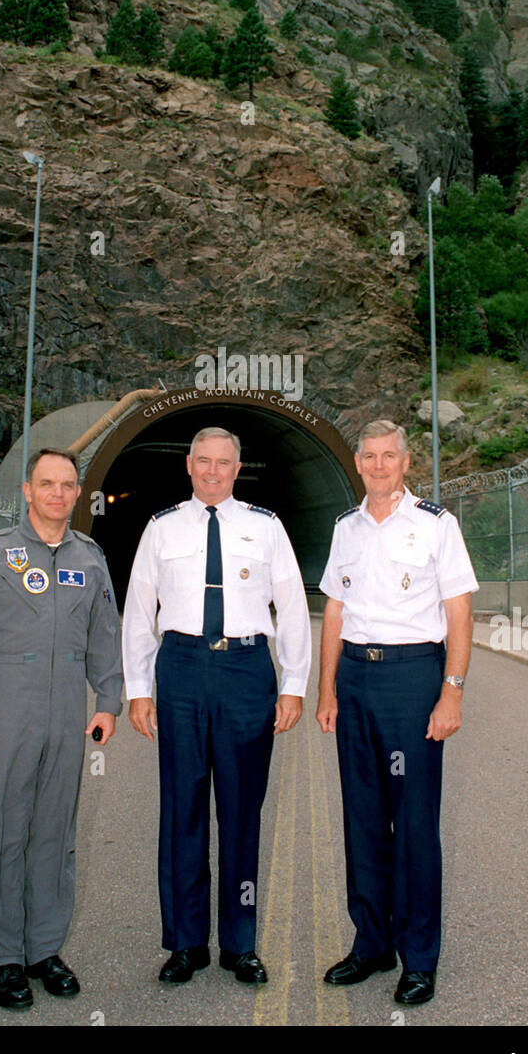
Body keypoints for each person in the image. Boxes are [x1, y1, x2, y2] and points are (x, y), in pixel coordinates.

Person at [122, 426, 311, 984]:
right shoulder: (160, 528)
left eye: (222, 463)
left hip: (245, 670)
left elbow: (293, 607)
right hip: (179, 668)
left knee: (241, 812)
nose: (212, 471)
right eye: (202, 461)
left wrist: (293, 683)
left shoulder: (266, 526)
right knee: (181, 811)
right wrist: (138, 689)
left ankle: (240, 943)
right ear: (188, 464)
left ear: (237, 467)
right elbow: (138, 610)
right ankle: (185, 943)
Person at [0, 448, 122, 1010]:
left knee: (54, 836)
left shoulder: (91, 559)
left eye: (66, 485)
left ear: (77, 493)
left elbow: (104, 636)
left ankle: (44, 950)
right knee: (3, 837)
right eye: (45, 483)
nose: (56, 493)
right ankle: (4, 959)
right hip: (5, 713)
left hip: (66, 714)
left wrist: (109, 700)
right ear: (27, 490)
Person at [316, 419, 477, 1005]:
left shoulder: (437, 525)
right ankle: (372, 943)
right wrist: (326, 689)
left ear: (406, 463)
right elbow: (334, 611)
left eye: (389, 456)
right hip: (356, 678)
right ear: (358, 464)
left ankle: (419, 957)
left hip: (414, 680)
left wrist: (451, 691)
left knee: (412, 824)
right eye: (369, 457)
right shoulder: (346, 528)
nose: (379, 465)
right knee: (362, 821)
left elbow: (459, 613)